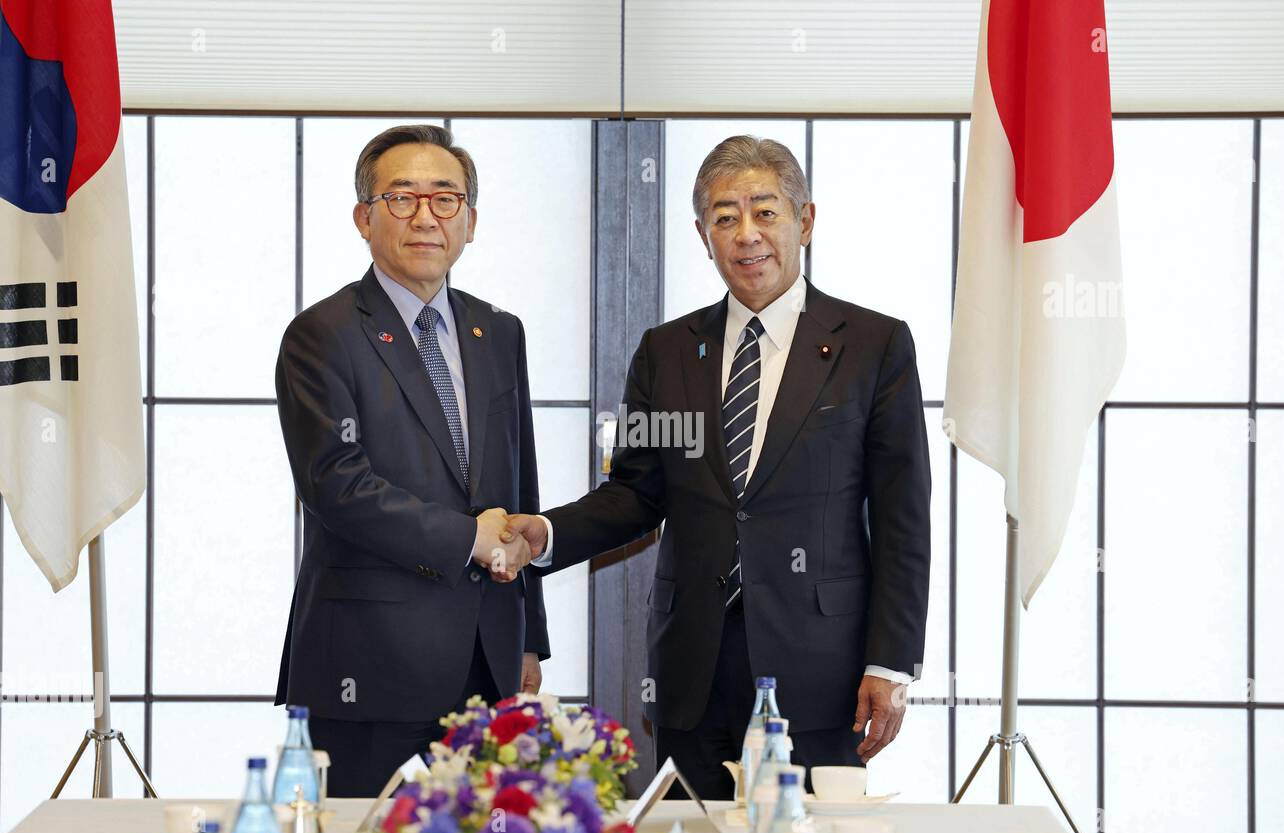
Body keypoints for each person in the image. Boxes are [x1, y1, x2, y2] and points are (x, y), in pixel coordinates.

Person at [506, 135, 930, 799]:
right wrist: (547, 533)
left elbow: (904, 518)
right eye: (725, 217)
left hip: (823, 669)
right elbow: (636, 495)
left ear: (805, 221)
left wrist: (890, 662)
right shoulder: (666, 351)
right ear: (703, 235)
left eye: (766, 212)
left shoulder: (874, 346)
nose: (747, 235)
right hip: (692, 666)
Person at [273, 124, 546, 797]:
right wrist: (469, 539)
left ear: (471, 221)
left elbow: (520, 484)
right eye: (401, 198)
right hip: (367, 664)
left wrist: (530, 638)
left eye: (445, 198)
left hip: (489, 660)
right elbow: (335, 485)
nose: (425, 216)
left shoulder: (498, 331)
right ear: (364, 218)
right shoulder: (323, 334)